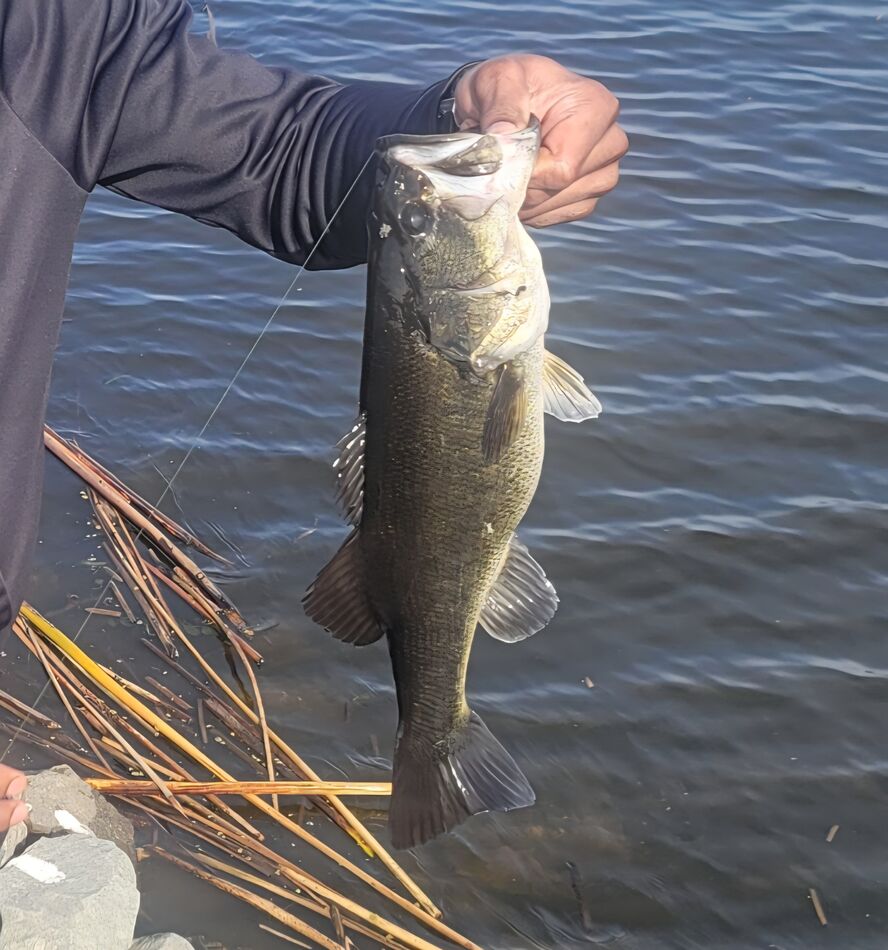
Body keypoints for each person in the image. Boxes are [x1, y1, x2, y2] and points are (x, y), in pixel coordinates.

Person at [0, 0, 627, 831]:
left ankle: (433, 739)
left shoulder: (53, 30)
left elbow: (280, 148)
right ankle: (435, 737)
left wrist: (451, 113)